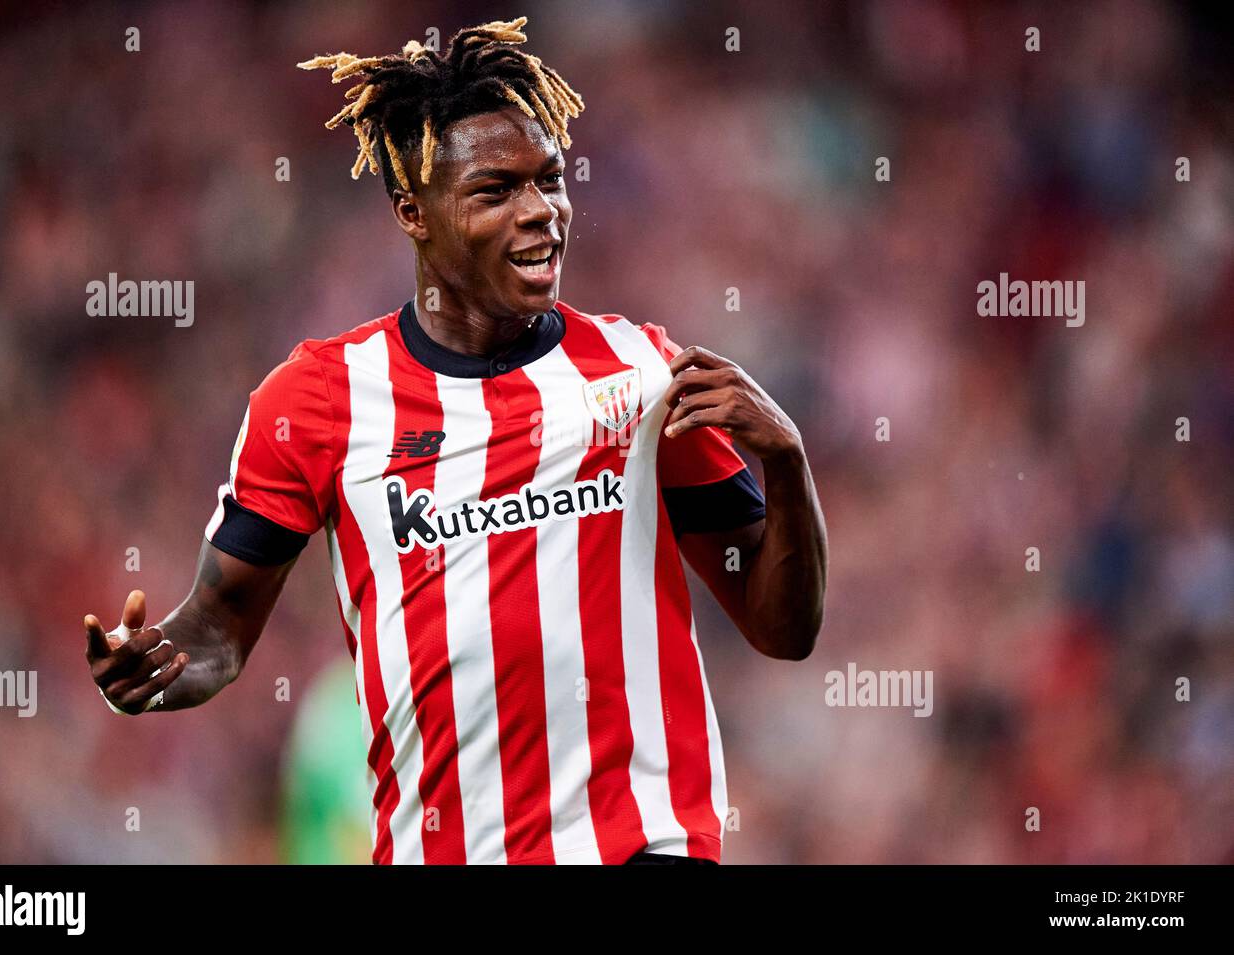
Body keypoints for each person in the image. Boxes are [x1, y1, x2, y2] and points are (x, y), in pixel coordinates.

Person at [84, 16, 828, 865]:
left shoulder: (641, 373)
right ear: (415, 212)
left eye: (550, 180)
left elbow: (783, 626)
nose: (541, 212)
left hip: (643, 841)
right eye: (495, 190)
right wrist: (152, 670)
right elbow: (219, 631)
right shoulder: (320, 402)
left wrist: (787, 461)